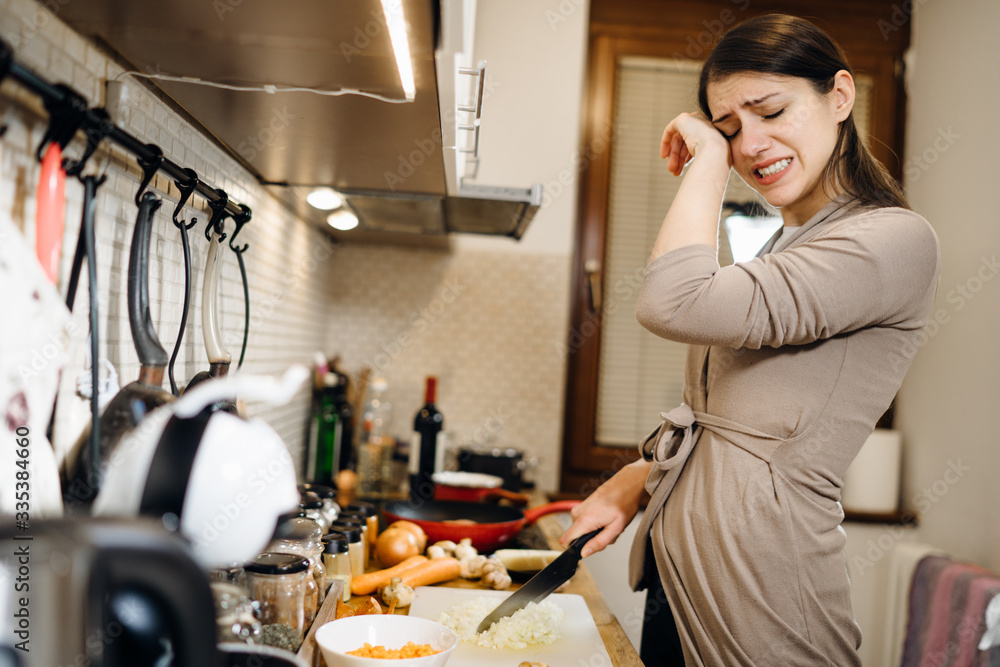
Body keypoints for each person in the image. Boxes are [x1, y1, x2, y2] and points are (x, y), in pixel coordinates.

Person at [559, 14, 940, 666]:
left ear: (839, 96)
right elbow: (743, 421)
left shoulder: (891, 240)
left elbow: (671, 300)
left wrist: (707, 160)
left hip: (764, 608)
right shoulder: (787, 246)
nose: (751, 144)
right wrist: (641, 476)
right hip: (683, 595)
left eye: (771, 111)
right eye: (729, 129)